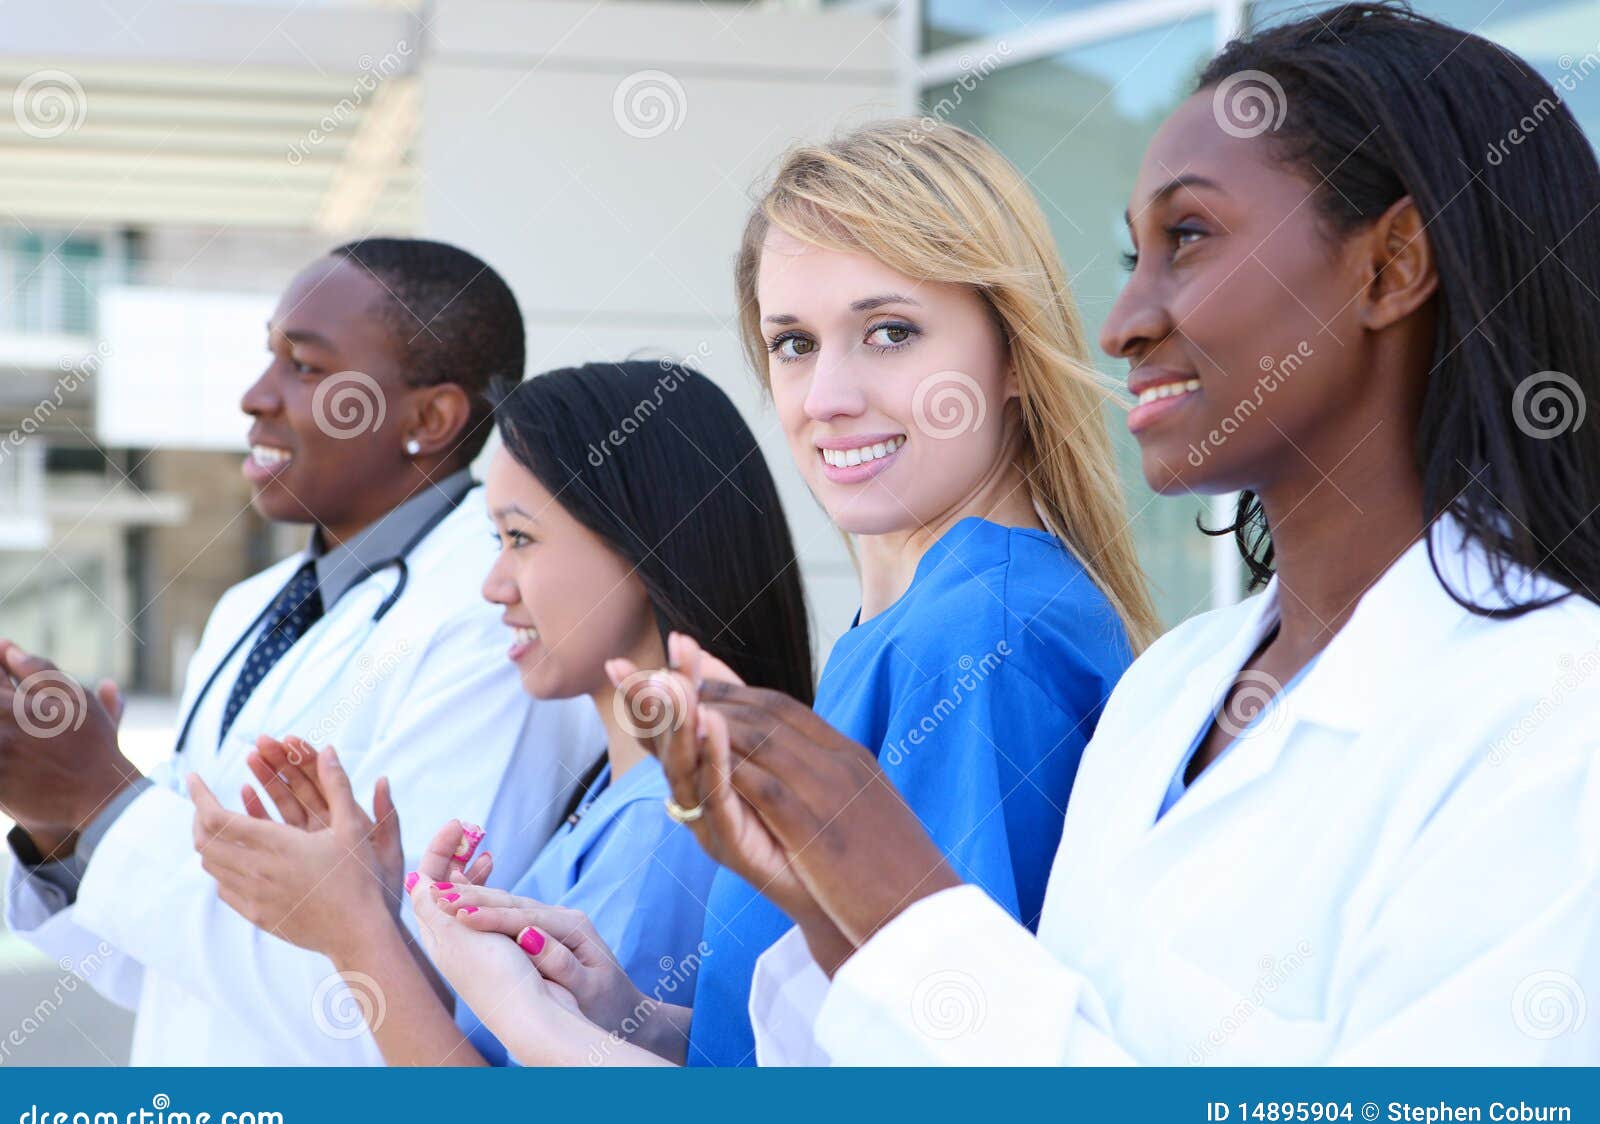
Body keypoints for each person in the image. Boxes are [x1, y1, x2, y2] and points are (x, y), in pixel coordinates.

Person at [625, 3, 1600, 1065]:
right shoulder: (1167, 693)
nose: (1121, 320)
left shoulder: (1554, 718)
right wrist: (825, 896)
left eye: (1188, 238)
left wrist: (897, 897)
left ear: (1389, 264)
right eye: (1132, 253)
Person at [402, 119, 1161, 1066]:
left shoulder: (977, 632)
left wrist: (522, 1017)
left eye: (890, 332)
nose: (827, 394)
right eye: (794, 343)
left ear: (1011, 353)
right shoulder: (908, 624)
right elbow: (822, 1046)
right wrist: (623, 1010)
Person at [0, 239, 601, 1065]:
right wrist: (56, 812)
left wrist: (101, 793)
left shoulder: (498, 613)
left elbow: (393, 991)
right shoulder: (250, 607)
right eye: (268, 356)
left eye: (306, 367)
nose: (255, 397)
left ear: (429, 420)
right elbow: (163, 965)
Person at [186, 360, 814, 1067]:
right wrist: (373, 911)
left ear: (643, 546)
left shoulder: (676, 822)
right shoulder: (620, 792)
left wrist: (354, 931)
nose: (493, 586)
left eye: (520, 538)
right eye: (496, 541)